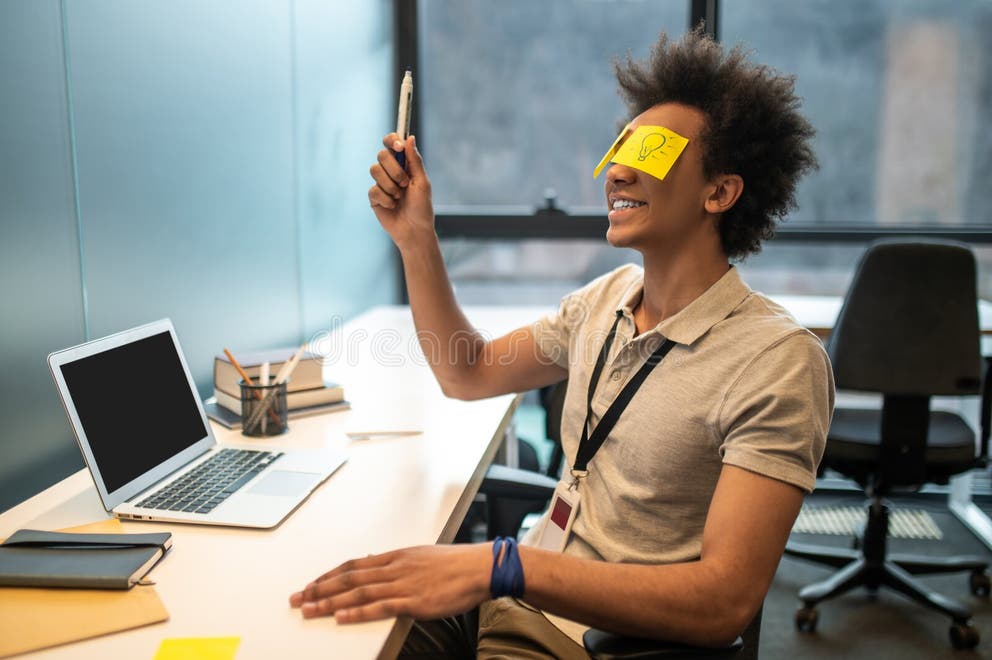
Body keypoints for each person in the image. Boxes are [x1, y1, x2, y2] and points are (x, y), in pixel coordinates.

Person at [290, 27, 834, 658]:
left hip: (590, 643)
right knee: (323, 634)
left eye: (652, 153)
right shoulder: (606, 300)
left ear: (719, 192)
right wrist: (417, 238)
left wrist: (504, 565)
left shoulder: (778, 361)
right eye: (621, 148)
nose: (617, 171)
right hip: (513, 600)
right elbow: (467, 372)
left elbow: (723, 603)